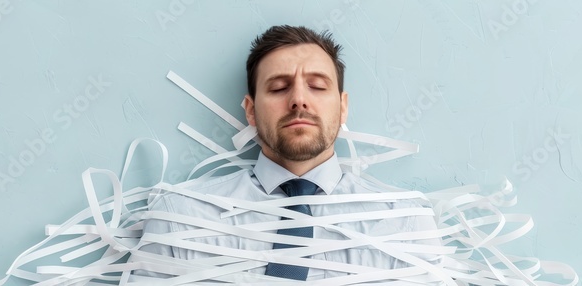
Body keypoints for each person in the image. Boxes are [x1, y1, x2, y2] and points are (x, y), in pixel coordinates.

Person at [132, 25, 441, 281]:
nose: (298, 100)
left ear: (343, 106)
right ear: (251, 111)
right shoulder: (180, 219)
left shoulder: (405, 225)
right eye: (279, 87)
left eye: (317, 86)